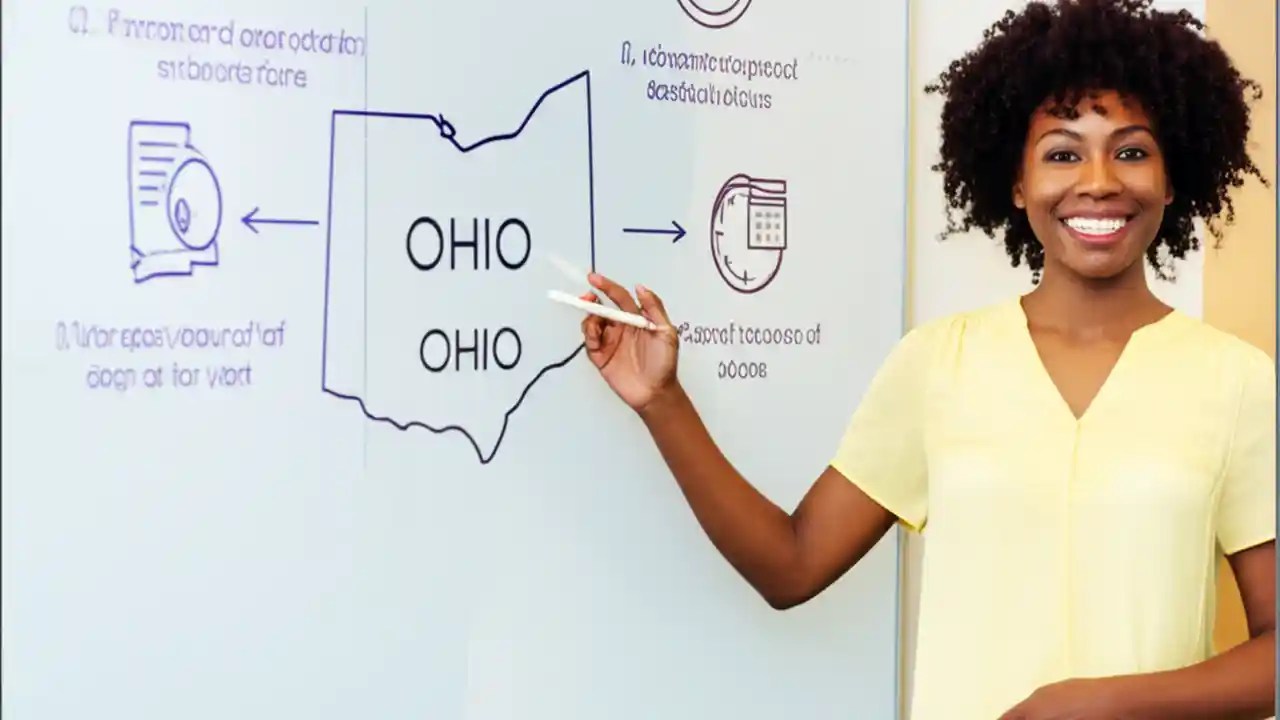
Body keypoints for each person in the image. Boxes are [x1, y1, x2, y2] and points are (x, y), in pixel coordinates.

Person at [575, 0, 1275, 718]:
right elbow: (791, 565)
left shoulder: (1238, 382)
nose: (1098, 180)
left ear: (1171, 177)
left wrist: (1108, 705)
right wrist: (663, 402)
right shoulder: (938, 364)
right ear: (1016, 182)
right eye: (1062, 153)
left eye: (1131, 152)